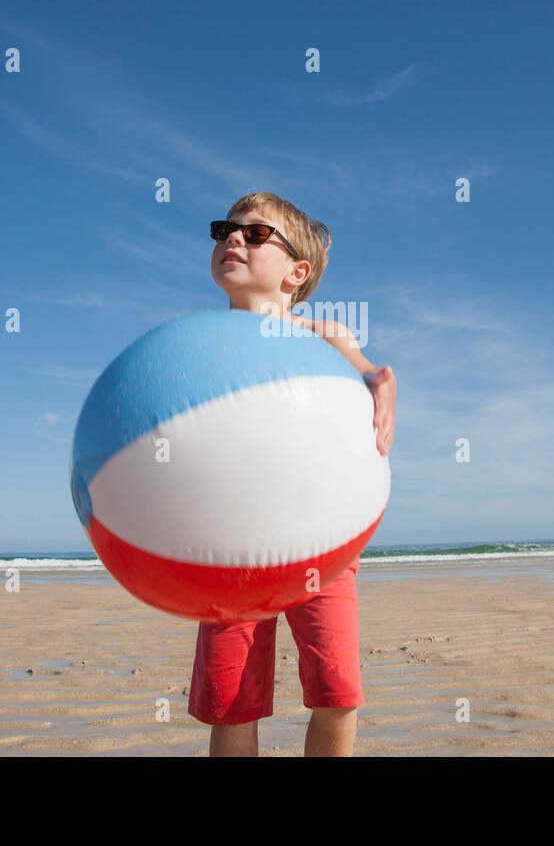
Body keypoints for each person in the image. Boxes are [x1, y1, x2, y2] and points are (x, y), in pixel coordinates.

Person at [188, 191, 396, 756]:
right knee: (233, 703)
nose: (233, 238)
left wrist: (380, 380)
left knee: (337, 693)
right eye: (224, 230)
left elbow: (370, 373)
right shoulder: (199, 351)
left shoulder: (323, 336)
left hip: (321, 538)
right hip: (234, 547)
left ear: (296, 272)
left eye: (255, 234)